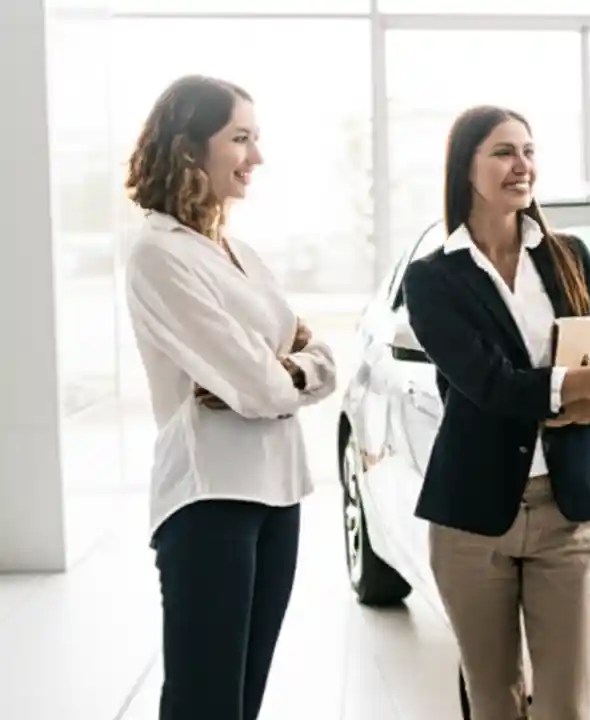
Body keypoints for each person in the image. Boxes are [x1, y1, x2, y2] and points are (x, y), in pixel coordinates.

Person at [400, 105, 590, 720]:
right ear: (466, 168)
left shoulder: (569, 256)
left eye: (529, 151)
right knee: (495, 701)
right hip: (471, 519)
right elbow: (499, 389)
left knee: (569, 705)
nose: (522, 166)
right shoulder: (432, 279)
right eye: (504, 152)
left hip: (568, 512)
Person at [122, 75, 337, 720]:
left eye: (256, 138)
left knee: (244, 699)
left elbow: (319, 361)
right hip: (209, 497)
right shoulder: (158, 254)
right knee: (205, 703)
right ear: (190, 150)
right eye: (239, 138)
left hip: (279, 490)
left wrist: (287, 372)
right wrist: (281, 373)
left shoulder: (237, 252)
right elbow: (255, 384)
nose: (256, 157)